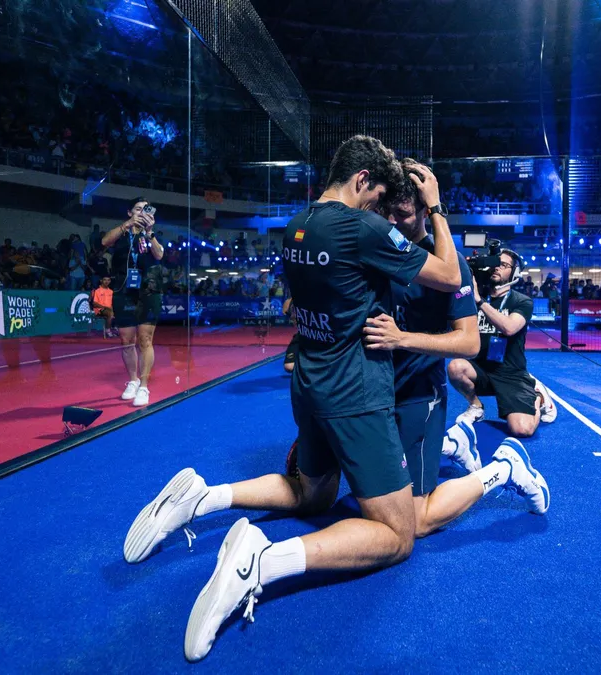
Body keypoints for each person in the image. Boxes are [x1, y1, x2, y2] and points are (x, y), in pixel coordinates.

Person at [122, 137, 493, 663]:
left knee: (314, 493)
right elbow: (451, 274)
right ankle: (262, 560)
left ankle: (202, 499)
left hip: (310, 383)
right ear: (362, 181)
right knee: (399, 533)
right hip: (356, 391)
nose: (380, 209)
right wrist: (433, 207)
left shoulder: (296, 226)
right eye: (378, 197)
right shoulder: (362, 226)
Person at [363, 158, 548, 540]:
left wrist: (402, 339)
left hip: (419, 393)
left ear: (424, 213)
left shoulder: (451, 266)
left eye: (403, 213)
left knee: (412, 524)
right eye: (387, 213)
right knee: (366, 506)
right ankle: (455, 442)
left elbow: (469, 341)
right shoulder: (377, 248)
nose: (393, 222)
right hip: (375, 392)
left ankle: (504, 468)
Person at [447, 249, 557, 437]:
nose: (498, 267)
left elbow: (509, 328)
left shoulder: (521, 301)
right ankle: (476, 406)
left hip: (510, 373)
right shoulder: (474, 296)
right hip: (481, 369)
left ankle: (538, 396)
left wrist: (480, 302)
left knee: (522, 429)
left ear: (514, 273)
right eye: (496, 263)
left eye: (505, 265)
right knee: (455, 367)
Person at [101, 198, 164, 407]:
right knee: (126, 340)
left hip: (148, 290)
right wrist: (126, 226)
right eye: (138, 209)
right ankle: (133, 381)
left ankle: (144, 386)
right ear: (129, 212)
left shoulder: (150, 234)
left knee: (145, 339)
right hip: (123, 290)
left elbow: (159, 254)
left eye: (145, 210)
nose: (141, 213)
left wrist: (150, 231)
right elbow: (104, 242)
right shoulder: (121, 233)